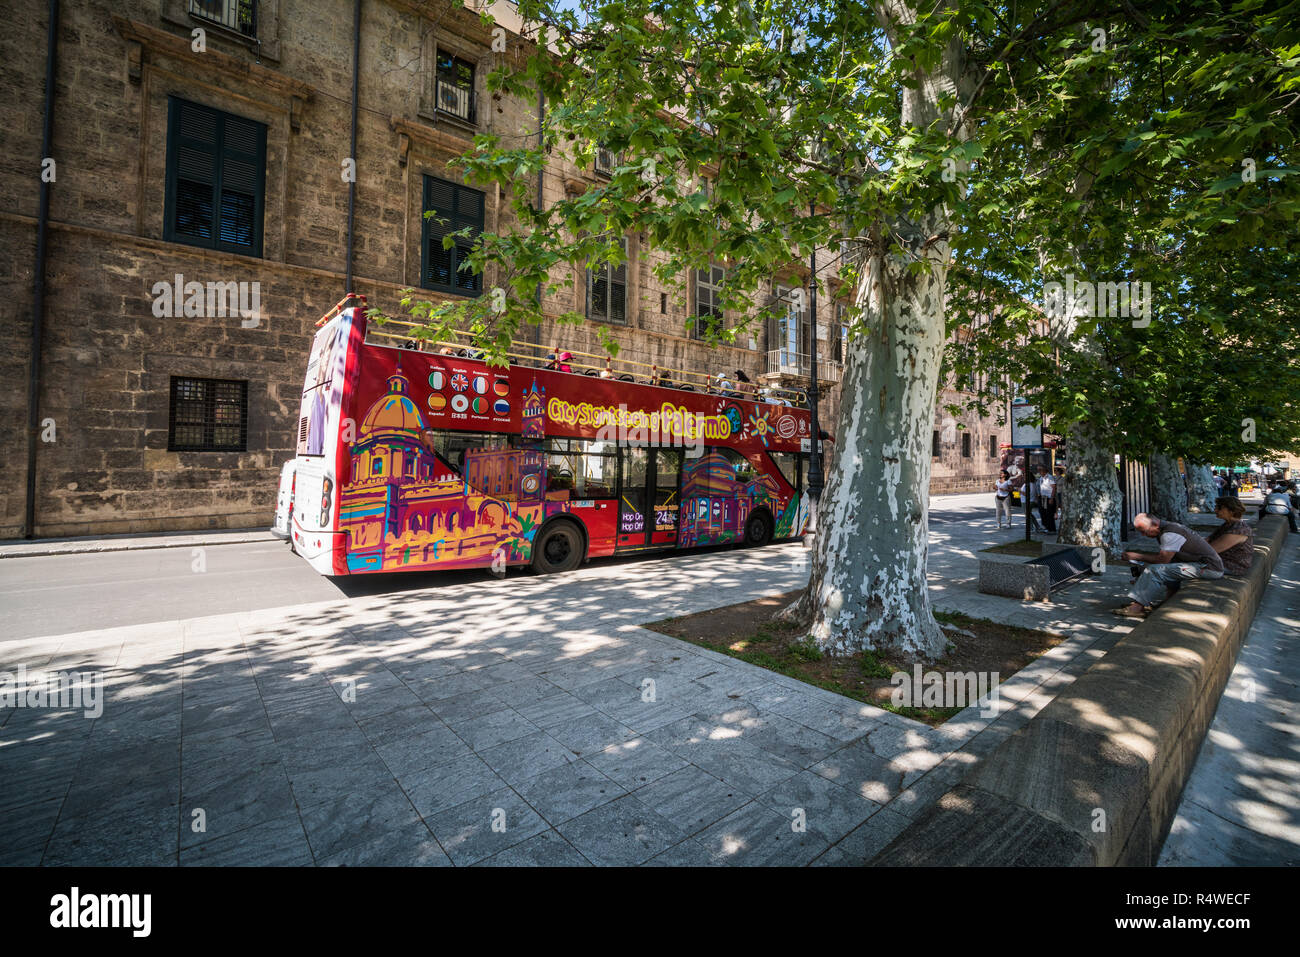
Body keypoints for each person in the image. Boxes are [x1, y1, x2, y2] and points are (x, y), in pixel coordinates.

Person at [1114, 513, 1226, 618]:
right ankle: (1165, 601)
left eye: (1144, 531)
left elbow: (1162, 560)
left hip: (1208, 568)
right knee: (1161, 569)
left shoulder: (1170, 534)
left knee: (1153, 570)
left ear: (1155, 525)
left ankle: (1136, 608)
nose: (1144, 535)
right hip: (1200, 564)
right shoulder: (1167, 529)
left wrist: (1137, 556)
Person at [1206, 497, 1255, 575]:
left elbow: (1210, 550)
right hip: (1219, 562)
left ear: (1231, 511)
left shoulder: (1240, 530)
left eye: (1219, 508)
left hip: (1231, 567)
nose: (1215, 510)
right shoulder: (1228, 525)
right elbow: (1206, 541)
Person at [1023, 466, 1044, 532]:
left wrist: (1020, 492)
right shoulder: (1027, 483)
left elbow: (1030, 494)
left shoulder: (1031, 484)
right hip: (1024, 501)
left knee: (1028, 515)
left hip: (1029, 501)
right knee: (1029, 514)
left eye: (1025, 476)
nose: (1024, 477)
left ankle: (1031, 527)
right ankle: (1037, 526)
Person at [1039, 468, 1058, 533]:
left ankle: (1052, 529)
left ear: (1045, 471)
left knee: (1049, 514)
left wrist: (1051, 498)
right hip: (1043, 497)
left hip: (1049, 497)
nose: (1039, 472)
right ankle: (1046, 527)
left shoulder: (1050, 477)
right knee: (1043, 513)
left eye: (1040, 470)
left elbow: (1054, 488)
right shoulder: (1041, 478)